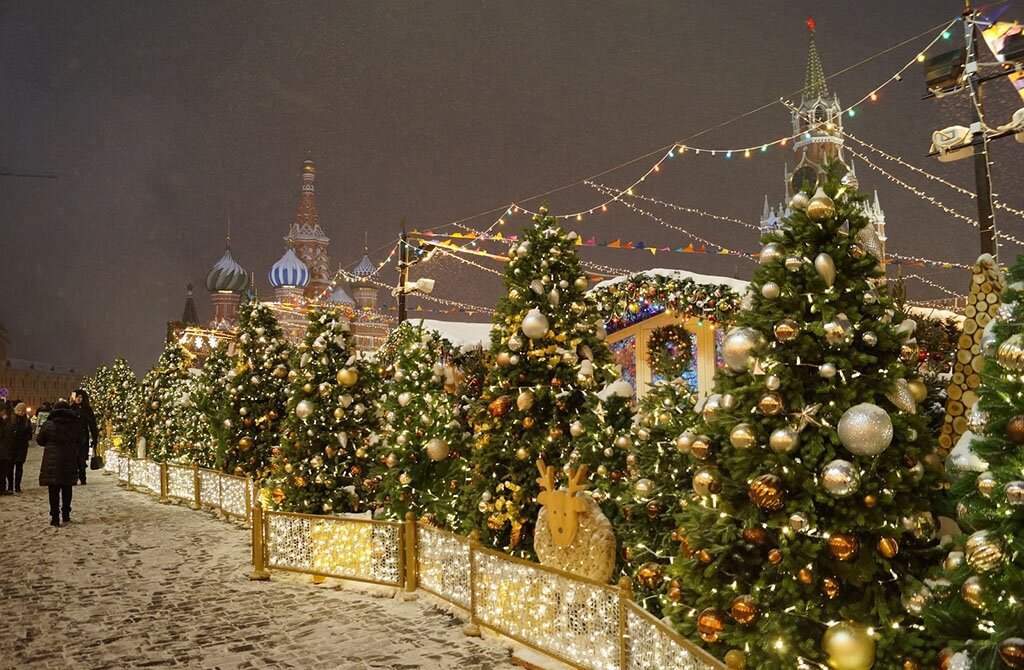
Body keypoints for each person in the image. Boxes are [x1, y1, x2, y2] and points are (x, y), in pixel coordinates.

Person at [36, 400, 79, 526]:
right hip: (69, 459)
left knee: (53, 490)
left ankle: (55, 517)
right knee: (67, 488)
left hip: (51, 461)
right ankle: (66, 515)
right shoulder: (73, 424)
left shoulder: (48, 424)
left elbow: (40, 440)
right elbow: (79, 439)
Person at [1, 402, 33, 493]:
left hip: (21, 447)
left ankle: (18, 486)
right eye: (18, 410)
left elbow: (29, 435)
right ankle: (10, 486)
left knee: (19, 467)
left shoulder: (26, 421)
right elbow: (4, 432)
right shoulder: (8, 419)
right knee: (9, 468)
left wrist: (24, 438)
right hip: (10, 447)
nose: (20, 412)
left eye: (22, 411)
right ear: (15, 410)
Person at [70, 389, 98, 485]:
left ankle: (83, 478)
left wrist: (95, 437)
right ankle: (73, 478)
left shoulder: (87, 409)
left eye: (80, 397)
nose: (78, 399)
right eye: (77, 397)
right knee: (73, 459)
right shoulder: (70, 409)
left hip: (83, 438)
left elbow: (92, 424)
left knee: (81, 459)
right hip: (72, 438)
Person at [0, 402, 10, 495]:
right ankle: (2, 489)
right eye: (3, 411)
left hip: (3, 450)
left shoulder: (3, 421)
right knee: (2, 470)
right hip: (2, 450)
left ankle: (2, 488)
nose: (4, 412)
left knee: (3, 470)